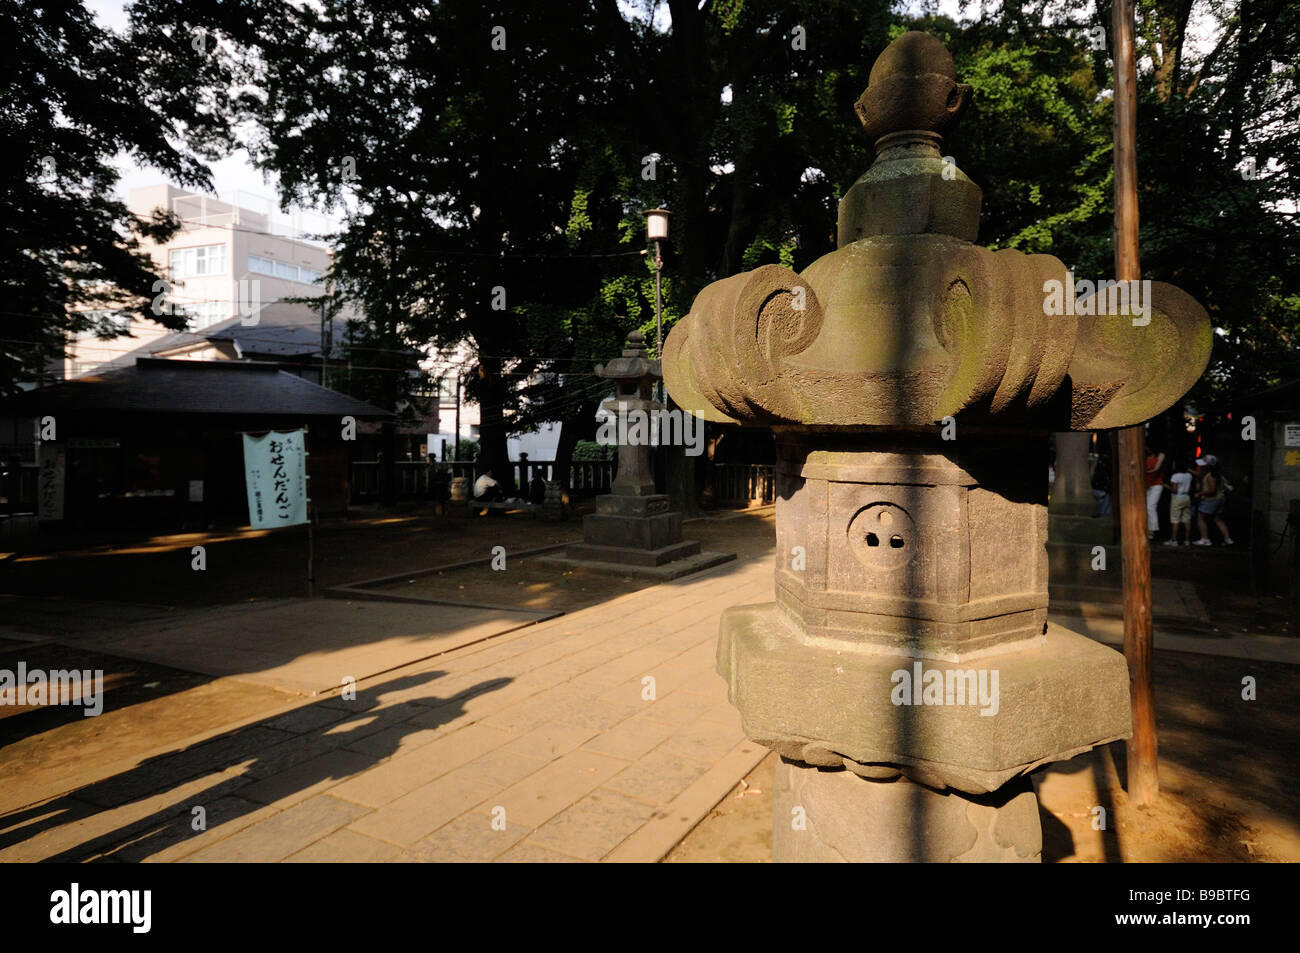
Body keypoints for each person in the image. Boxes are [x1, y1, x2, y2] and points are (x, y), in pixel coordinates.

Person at [1192, 455, 1234, 546]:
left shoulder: (1210, 476)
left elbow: (1212, 490)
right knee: (1218, 519)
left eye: (1204, 464)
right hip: (1220, 498)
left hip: (1211, 499)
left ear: (1209, 466)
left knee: (1200, 518)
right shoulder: (1217, 473)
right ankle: (1227, 538)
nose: (1201, 466)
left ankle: (1205, 539)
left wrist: (1199, 493)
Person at [1163, 459, 1193, 546]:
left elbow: (1175, 490)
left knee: (1175, 520)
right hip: (1187, 497)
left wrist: (1167, 486)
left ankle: (1174, 540)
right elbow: (1190, 488)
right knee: (1187, 520)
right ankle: (1187, 540)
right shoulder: (1189, 475)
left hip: (1177, 498)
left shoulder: (1175, 476)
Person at [1144, 446, 1166, 540]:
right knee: (1145, 507)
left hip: (1157, 484)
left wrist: (1145, 472)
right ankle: (1146, 529)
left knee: (1150, 506)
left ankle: (1152, 531)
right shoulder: (1143, 456)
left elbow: (1157, 468)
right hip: (1146, 484)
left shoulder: (1160, 455)